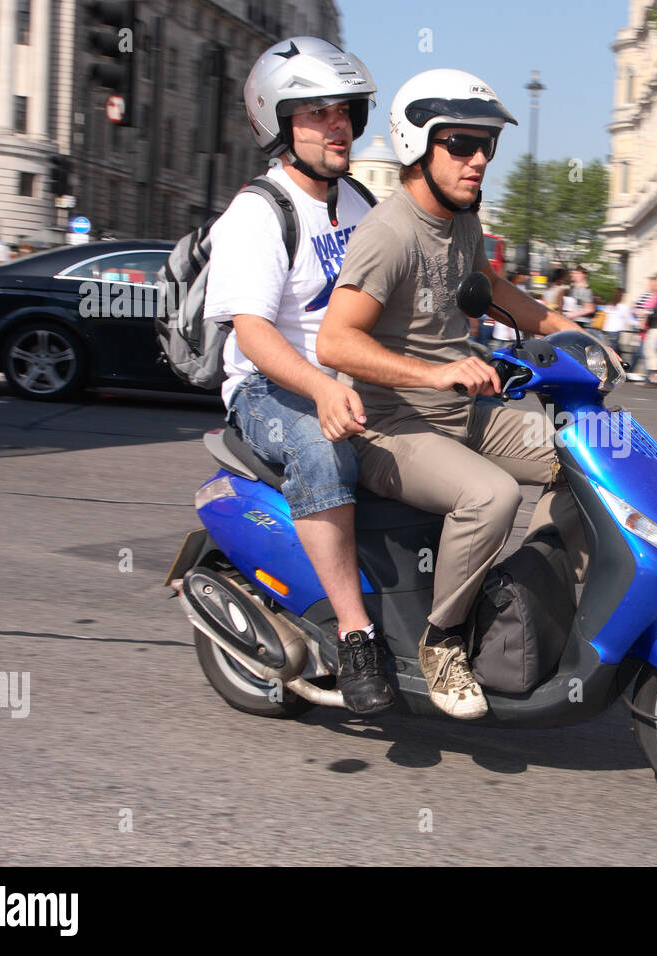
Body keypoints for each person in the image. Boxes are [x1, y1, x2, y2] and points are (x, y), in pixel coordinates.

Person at [316, 68, 590, 720]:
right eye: (463, 144)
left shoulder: (461, 221)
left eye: (487, 146)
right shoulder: (389, 234)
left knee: (585, 454)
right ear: (419, 145)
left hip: (463, 412)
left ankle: (529, 588)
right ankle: (441, 641)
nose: (479, 161)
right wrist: (434, 373)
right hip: (390, 425)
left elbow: (496, 291)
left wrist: (579, 336)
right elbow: (335, 342)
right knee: (490, 497)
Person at [202, 36, 394, 716]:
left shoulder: (361, 203)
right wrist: (320, 387)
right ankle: (356, 633)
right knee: (321, 447)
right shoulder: (260, 212)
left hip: (348, 378)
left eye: (344, 111)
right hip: (268, 387)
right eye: (317, 113)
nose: (338, 124)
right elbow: (252, 334)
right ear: (280, 124)